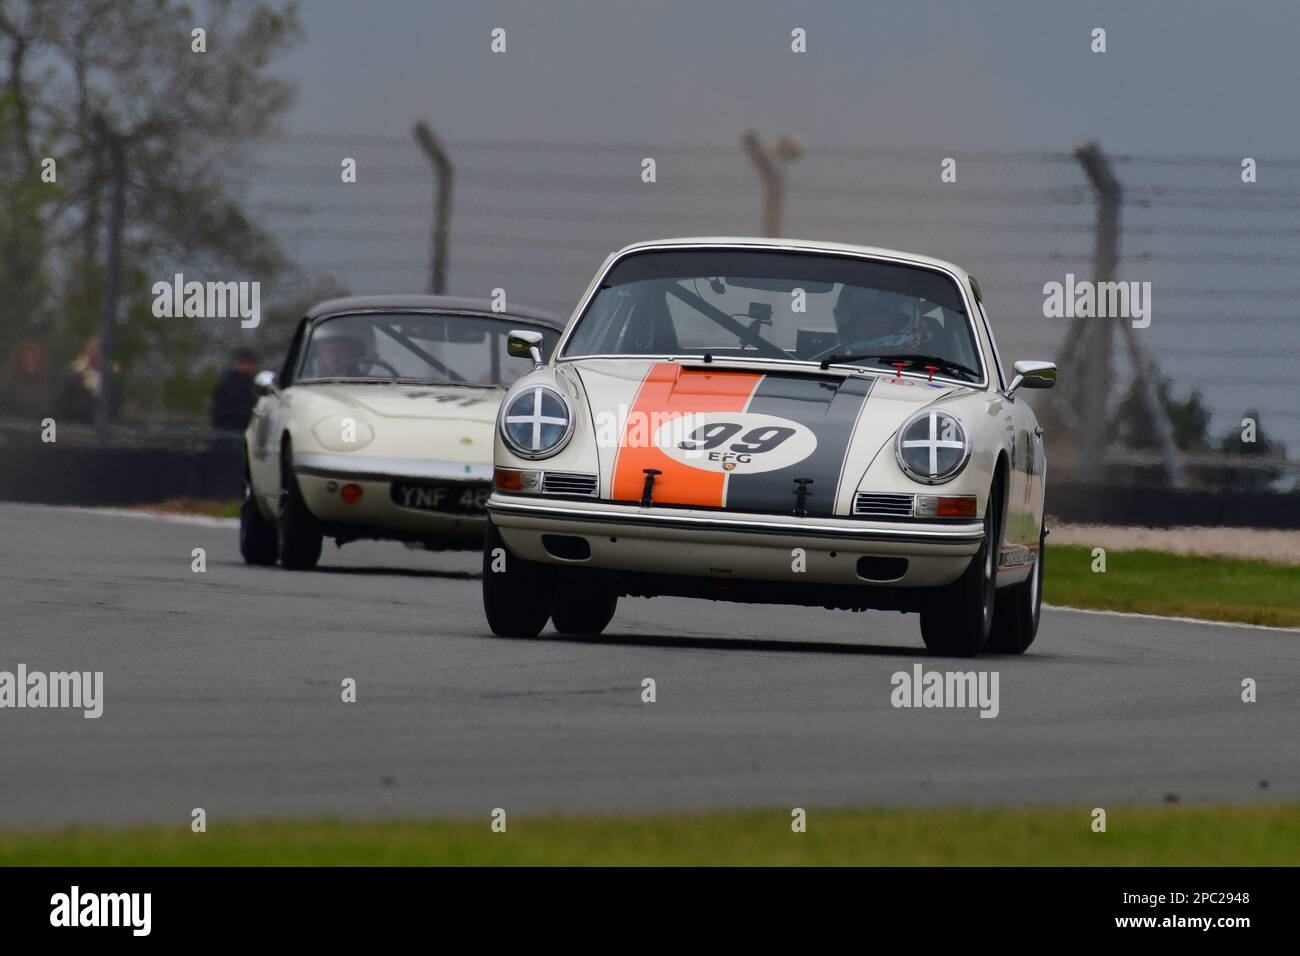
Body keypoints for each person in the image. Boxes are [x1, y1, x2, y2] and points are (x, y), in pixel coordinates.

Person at [829, 284, 930, 357]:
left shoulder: (923, 362)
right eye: (840, 312)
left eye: (874, 313)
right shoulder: (824, 354)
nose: (844, 319)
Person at [56, 337, 106, 424]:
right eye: (91, 352)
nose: (93, 356)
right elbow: (62, 404)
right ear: (86, 353)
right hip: (75, 427)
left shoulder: (107, 379)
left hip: (100, 429)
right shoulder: (73, 377)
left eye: (97, 353)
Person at [210, 347, 261, 433]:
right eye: (249, 364)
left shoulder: (249, 384)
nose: (253, 368)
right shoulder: (230, 385)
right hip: (231, 432)